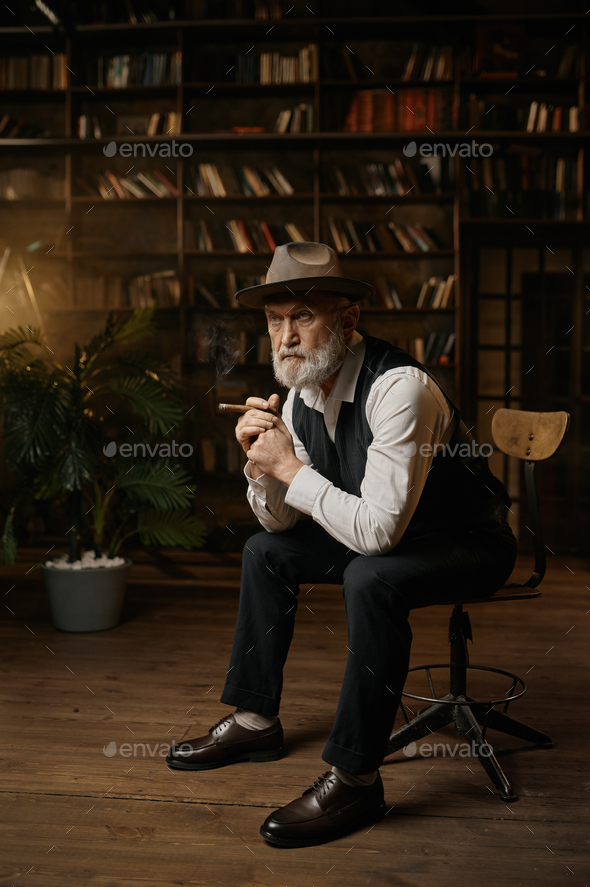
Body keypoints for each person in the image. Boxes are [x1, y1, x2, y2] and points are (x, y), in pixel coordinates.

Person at [167, 241, 517, 848]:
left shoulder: (400, 389)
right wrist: (262, 465)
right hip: (387, 538)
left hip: (468, 541)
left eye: (303, 316)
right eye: (274, 320)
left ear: (348, 319)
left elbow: (377, 537)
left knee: (370, 577)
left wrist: (290, 467)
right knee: (265, 553)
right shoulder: (302, 393)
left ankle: (356, 780)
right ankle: (255, 720)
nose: (285, 337)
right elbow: (282, 525)